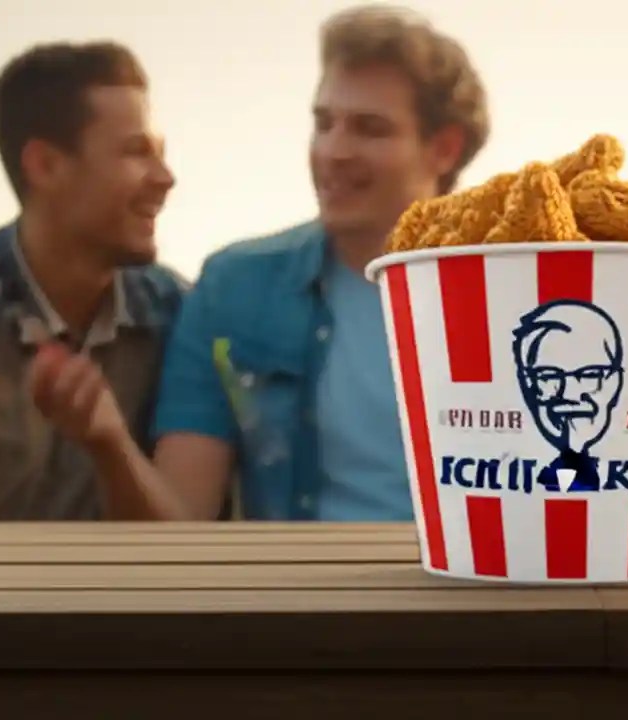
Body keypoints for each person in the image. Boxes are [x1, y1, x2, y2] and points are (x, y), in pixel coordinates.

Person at [32, 5, 490, 520]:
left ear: (444, 149)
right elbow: (181, 531)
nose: (333, 151)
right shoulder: (235, 289)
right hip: (302, 597)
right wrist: (109, 443)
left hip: (477, 589)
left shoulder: (516, 294)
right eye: (323, 123)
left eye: (369, 128)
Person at [0, 42, 185, 521]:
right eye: (136, 152)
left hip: (137, 598)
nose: (166, 178)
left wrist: (110, 445)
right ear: (44, 165)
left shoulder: (183, 316)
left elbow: (189, 545)